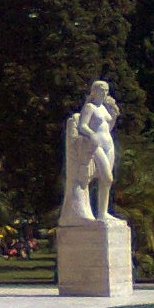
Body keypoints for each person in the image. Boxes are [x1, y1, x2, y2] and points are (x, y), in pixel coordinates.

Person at [61, 80, 120, 223]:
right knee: (107, 177)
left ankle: (103, 213)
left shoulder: (104, 109)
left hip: (109, 145)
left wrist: (114, 116)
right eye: (101, 90)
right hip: (96, 145)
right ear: (94, 91)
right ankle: (102, 213)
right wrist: (92, 135)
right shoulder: (90, 107)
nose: (104, 93)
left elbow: (107, 128)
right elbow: (82, 126)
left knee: (106, 181)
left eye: (106, 90)